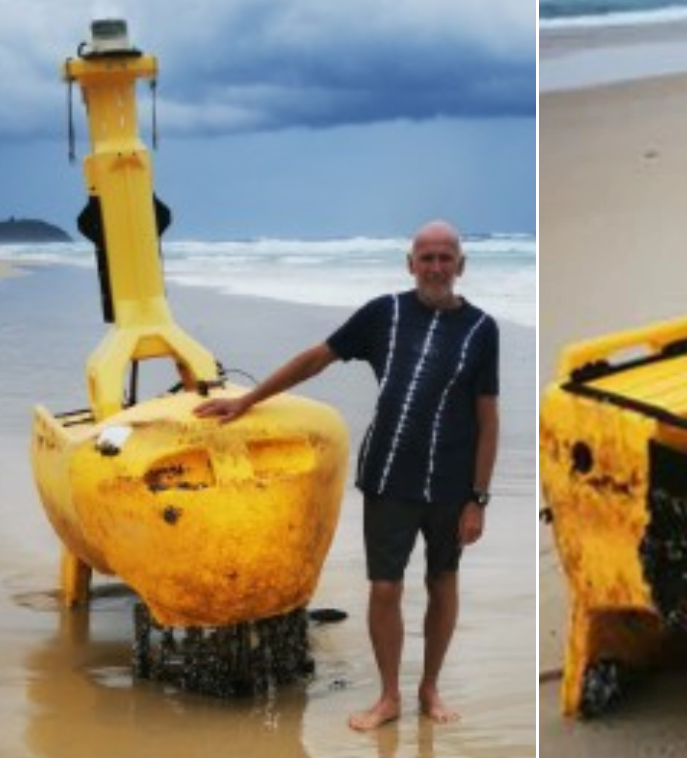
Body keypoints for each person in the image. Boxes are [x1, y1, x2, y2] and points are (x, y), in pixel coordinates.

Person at [193, 220, 499, 730]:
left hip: (450, 484)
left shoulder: (480, 329)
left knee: (443, 580)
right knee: (385, 588)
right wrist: (247, 400)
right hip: (389, 476)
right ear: (410, 264)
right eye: (427, 257)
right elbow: (317, 358)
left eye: (446, 258)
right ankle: (388, 697)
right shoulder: (386, 313)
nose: (436, 267)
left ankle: (429, 689)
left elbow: (488, 417)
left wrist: (478, 498)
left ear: (461, 266)